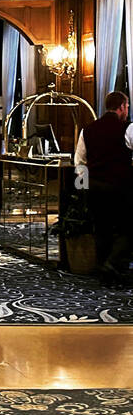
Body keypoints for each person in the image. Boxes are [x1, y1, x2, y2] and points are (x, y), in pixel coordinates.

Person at [74, 90, 133, 283]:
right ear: (122, 106)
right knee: (127, 228)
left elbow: (80, 162)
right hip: (120, 186)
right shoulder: (128, 128)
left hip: (95, 186)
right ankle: (113, 264)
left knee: (102, 228)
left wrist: (84, 186)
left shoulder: (88, 130)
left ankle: (104, 268)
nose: (127, 111)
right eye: (127, 107)